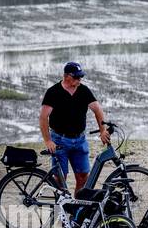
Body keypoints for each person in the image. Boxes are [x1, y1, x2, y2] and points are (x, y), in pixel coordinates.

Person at [39, 61, 110, 193]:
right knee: (61, 178)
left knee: (83, 177)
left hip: (80, 140)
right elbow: (43, 117)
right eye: (76, 77)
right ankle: (62, 209)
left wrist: (103, 130)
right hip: (59, 140)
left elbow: (97, 110)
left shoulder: (83, 90)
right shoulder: (53, 92)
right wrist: (48, 140)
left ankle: (78, 211)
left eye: (80, 77)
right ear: (66, 76)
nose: (79, 80)